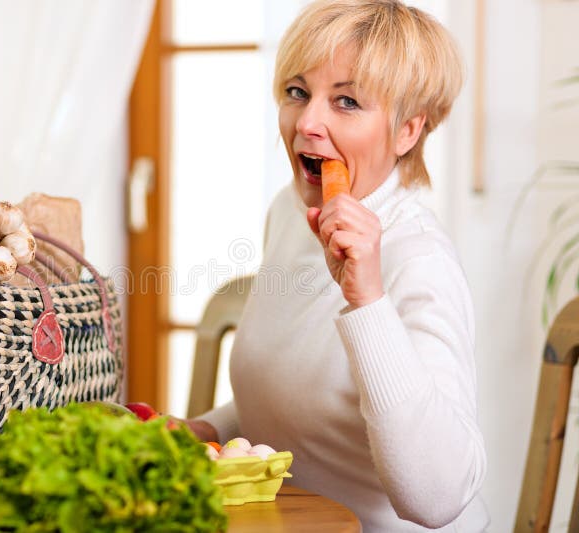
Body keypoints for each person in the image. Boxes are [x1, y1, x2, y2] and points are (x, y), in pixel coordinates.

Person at [185, 1, 490, 530]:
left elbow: (439, 499)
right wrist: (206, 430)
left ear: (406, 133)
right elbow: (297, 402)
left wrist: (367, 300)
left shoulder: (420, 258)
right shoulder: (289, 211)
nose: (307, 123)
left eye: (346, 101)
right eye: (298, 92)